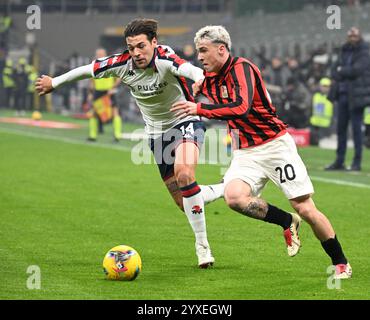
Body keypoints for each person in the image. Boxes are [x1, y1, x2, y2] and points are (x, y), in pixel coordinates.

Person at [35, 18, 225, 268]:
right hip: (157, 135)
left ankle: (203, 247)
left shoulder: (165, 59)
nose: (136, 53)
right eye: (131, 47)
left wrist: (201, 78)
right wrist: (55, 83)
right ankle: (226, 187)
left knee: (184, 174)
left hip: (185, 120)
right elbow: (88, 69)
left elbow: (189, 70)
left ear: (154, 43)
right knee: (184, 201)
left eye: (141, 46)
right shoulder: (122, 64)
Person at [171, 25, 352, 279]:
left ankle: (340, 261)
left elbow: (241, 108)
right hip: (246, 152)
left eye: (204, 50)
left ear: (221, 49)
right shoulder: (210, 79)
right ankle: (286, 222)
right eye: (198, 51)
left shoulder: (242, 68)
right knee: (234, 198)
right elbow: (201, 93)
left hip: (275, 145)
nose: (199, 57)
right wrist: (197, 92)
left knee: (305, 208)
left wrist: (199, 108)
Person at [326, 27, 370, 171]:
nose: (352, 37)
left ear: (359, 36)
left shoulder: (364, 51)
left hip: (356, 96)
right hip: (342, 94)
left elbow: (358, 70)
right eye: (350, 35)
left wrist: (341, 70)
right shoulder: (344, 50)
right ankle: (339, 161)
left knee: (357, 131)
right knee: (341, 130)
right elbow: (334, 69)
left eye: (355, 35)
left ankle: (356, 163)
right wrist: (342, 71)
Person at [87, 48, 122, 142]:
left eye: (101, 53)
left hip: (109, 92)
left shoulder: (111, 65)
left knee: (115, 112)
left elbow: (119, 78)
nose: (99, 55)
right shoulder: (93, 65)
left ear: (105, 54)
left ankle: (117, 136)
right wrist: (90, 93)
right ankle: (92, 136)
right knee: (94, 113)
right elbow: (91, 80)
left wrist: (113, 88)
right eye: (98, 54)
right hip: (98, 92)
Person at [310, 77, 334, 146]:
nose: (325, 88)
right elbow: (310, 109)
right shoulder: (315, 96)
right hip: (315, 124)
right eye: (323, 86)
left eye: (327, 86)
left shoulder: (332, 98)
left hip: (326, 126)